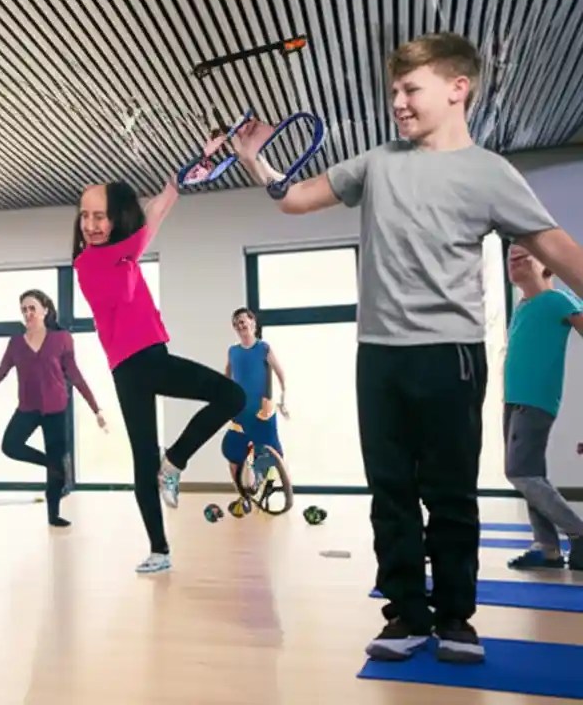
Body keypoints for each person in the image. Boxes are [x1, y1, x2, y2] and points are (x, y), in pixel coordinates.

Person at [232, 32, 583, 664]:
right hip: (380, 355)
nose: (397, 100)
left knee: (450, 492)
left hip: (450, 353)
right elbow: (295, 200)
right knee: (390, 489)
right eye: (393, 90)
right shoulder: (378, 162)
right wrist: (257, 160)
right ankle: (404, 617)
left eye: (410, 88)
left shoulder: (490, 173)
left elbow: (558, 248)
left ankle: (454, 619)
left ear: (457, 88)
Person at [73, 179, 245, 572]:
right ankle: (159, 550)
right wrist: (175, 188)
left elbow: (152, 215)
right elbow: (153, 218)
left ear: (116, 219)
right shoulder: (89, 263)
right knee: (142, 457)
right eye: (85, 216)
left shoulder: (123, 252)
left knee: (232, 397)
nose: (91, 224)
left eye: (100, 216)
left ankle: (175, 460)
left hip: (152, 356)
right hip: (132, 367)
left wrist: (175, 184)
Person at [0, 290, 104, 527]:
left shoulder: (61, 339)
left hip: (55, 408)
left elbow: (75, 375)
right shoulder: (16, 343)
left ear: (45, 310)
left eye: (32, 308)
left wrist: (96, 409)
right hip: (28, 406)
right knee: (10, 445)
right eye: (24, 309)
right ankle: (54, 462)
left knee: (55, 471)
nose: (28, 313)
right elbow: (0, 373)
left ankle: (53, 515)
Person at [502, 243, 583, 571]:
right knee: (532, 472)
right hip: (513, 400)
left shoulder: (557, 299)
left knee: (519, 472)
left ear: (548, 266)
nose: (515, 262)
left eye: (524, 257)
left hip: (536, 400)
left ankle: (577, 531)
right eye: (511, 260)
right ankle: (547, 546)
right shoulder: (522, 306)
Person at [221, 307, 287, 491]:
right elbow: (227, 375)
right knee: (234, 454)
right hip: (240, 411)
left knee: (271, 453)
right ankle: (242, 494)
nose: (240, 325)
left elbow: (280, 373)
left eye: (243, 321)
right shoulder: (233, 351)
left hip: (262, 410)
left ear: (253, 323)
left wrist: (284, 397)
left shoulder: (263, 348)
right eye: (236, 323)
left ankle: (272, 484)